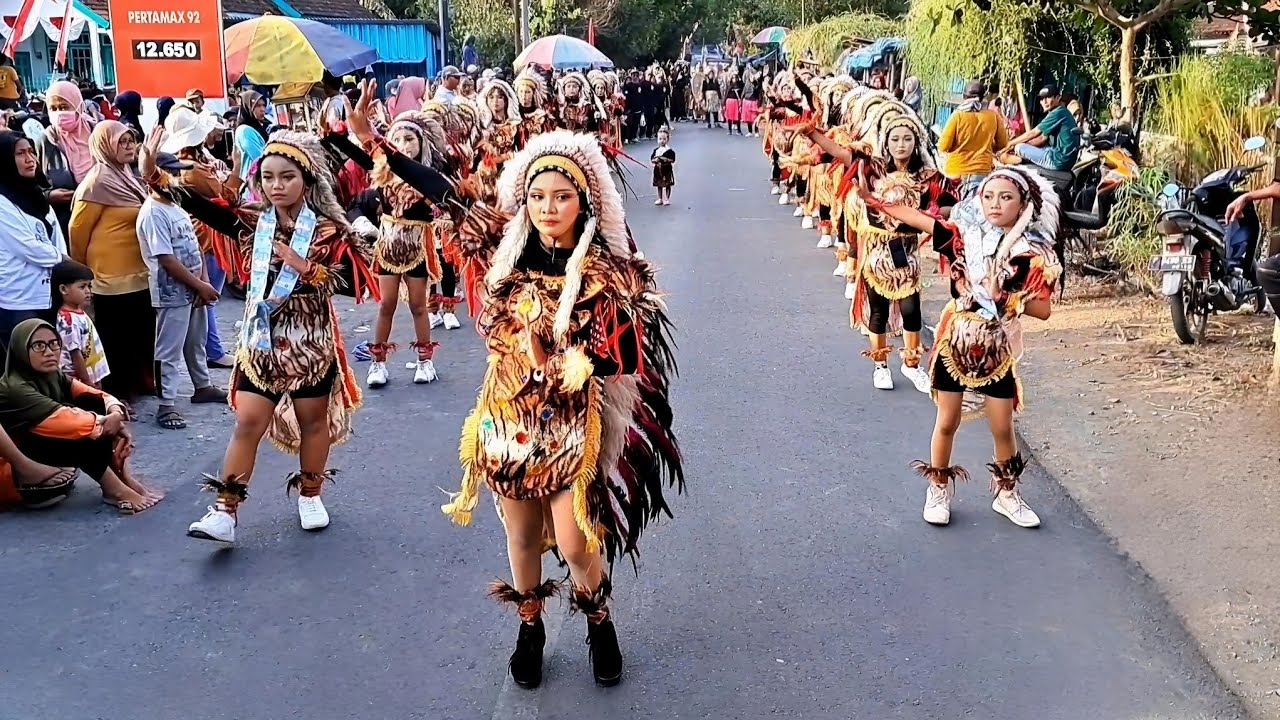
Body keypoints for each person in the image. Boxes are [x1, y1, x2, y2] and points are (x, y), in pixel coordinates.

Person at [441, 129, 682, 689]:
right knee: (522, 537)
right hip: (509, 417)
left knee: (575, 541)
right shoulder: (506, 255)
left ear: (584, 201)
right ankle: (530, 627)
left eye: (561, 196)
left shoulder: (605, 270)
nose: (548, 208)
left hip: (573, 421)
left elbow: (626, 346)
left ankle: (599, 618)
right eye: (536, 196)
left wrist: (585, 361)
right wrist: (366, 143)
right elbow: (445, 197)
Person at [140, 119, 379, 542]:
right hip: (262, 341)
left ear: (306, 180)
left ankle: (310, 494)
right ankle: (225, 511)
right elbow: (202, 207)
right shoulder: (252, 222)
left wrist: (304, 266)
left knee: (312, 422)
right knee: (247, 423)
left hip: (310, 344)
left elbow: (351, 282)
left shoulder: (326, 230)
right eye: (268, 177)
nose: (277, 186)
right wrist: (153, 175)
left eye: (287, 177)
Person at [858, 166, 1061, 528]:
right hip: (955, 344)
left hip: (996, 351)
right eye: (988, 196)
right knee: (946, 421)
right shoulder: (962, 235)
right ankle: (937, 488)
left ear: (1023, 203)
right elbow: (920, 220)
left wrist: (1009, 299)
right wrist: (877, 203)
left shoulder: (1033, 254)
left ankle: (1007, 493)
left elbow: (1043, 310)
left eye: (1006, 197)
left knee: (1003, 428)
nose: (995, 204)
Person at [0, 318, 162, 514]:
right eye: (39, 346)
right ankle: (115, 489)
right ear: (20, 351)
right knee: (81, 430)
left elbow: (96, 395)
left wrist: (115, 412)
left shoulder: (53, 375)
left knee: (90, 403)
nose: (50, 352)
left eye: (54, 344)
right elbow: (63, 420)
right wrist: (111, 424)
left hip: (41, 443)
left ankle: (121, 476)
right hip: (17, 461)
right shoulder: (14, 387)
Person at [136, 159, 227, 429]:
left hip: (193, 285)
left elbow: (195, 246)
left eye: (177, 172)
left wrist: (204, 280)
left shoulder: (177, 206)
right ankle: (166, 404)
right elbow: (166, 258)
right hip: (170, 290)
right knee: (169, 348)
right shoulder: (153, 212)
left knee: (195, 341)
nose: (174, 177)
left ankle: (202, 386)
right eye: (169, 172)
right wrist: (198, 285)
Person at [68, 121, 154, 402]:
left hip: (138, 273)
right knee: (116, 337)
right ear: (106, 145)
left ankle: (139, 382)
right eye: (122, 142)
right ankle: (119, 390)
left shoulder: (127, 176)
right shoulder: (96, 183)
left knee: (140, 332)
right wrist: (83, 273)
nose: (130, 147)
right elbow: (77, 231)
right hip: (109, 277)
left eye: (131, 141)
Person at [0, 130, 66, 346]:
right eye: (20, 154)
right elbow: (27, 247)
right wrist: (65, 262)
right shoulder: (2, 201)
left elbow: (56, 236)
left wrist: (64, 266)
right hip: (19, 299)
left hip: (48, 293)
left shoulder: (36, 194)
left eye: (31, 152)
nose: (30, 159)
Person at [36, 81, 95, 237]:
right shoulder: (45, 141)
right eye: (53, 109)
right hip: (65, 222)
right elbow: (32, 182)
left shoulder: (98, 134)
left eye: (63, 107)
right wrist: (48, 195)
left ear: (78, 106)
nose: (58, 114)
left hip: (102, 215)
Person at [938, 80, 1009, 199]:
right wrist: (987, 147)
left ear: (964, 96)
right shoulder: (993, 117)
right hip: (981, 173)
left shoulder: (957, 116)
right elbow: (1003, 144)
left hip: (955, 174)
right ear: (982, 97)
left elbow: (943, 146)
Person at [52, 260, 109, 389]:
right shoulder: (68, 320)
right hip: (79, 381)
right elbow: (75, 353)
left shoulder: (79, 313)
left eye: (89, 286)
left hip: (90, 376)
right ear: (63, 289)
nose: (88, 291)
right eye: (82, 287)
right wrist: (87, 382)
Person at [1003, 83, 1079, 172]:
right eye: (1042, 99)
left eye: (1048, 97)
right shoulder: (1061, 112)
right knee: (1024, 146)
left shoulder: (1058, 113)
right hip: (1064, 158)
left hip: (1058, 160)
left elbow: (1033, 133)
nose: (1044, 102)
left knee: (1019, 147)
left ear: (1058, 98)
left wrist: (1010, 144)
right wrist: (1026, 144)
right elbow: (1042, 138)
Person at [651, 126, 675, 205]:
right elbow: (652, 159)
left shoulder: (670, 151)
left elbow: (673, 159)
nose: (662, 141)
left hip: (667, 169)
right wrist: (655, 160)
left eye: (664, 139)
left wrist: (665, 159)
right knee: (659, 184)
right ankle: (660, 198)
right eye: (660, 139)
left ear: (667, 139)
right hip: (658, 170)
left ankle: (667, 198)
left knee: (667, 184)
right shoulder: (656, 150)